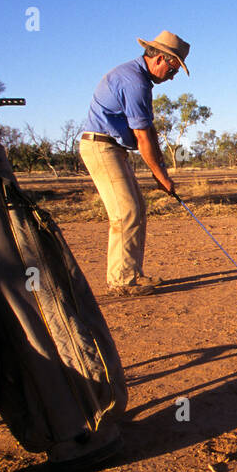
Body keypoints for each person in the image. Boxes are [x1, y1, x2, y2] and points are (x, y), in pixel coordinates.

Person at [79, 30, 190, 296]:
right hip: (100, 146)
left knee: (136, 207)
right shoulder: (134, 82)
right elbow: (142, 136)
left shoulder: (137, 78)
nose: (173, 76)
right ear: (161, 59)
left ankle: (131, 273)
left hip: (112, 147)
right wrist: (161, 177)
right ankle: (122, 281)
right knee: (126, 211)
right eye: (174, 69)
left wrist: (160, 171)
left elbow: (148, 131)